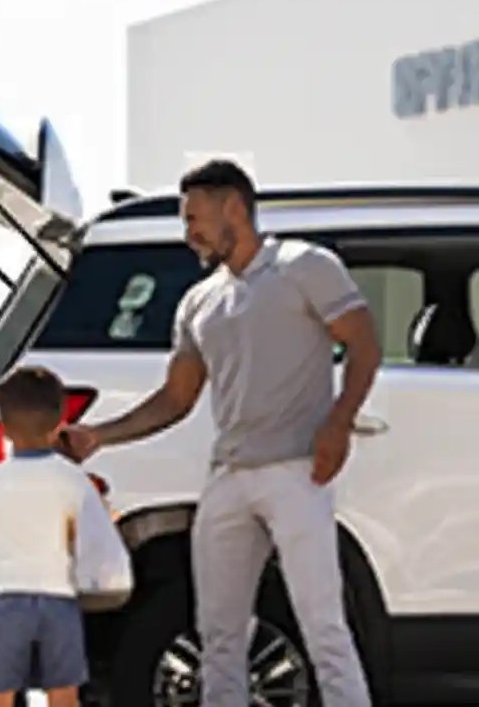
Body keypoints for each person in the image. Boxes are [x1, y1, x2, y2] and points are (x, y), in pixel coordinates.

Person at [61, 159, 382, 707]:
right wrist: (100, 436)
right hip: (229, 479)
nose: (188, 234)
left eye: (194, 218)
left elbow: (364, 344)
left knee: (324, 628)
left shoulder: (304, 265)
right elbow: (176, 398)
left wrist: (339, 422)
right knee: (219, 639)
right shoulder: (198, 302)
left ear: (234, 206)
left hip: (296, 472)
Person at [0, 366, 93, 707]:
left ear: (2, 428)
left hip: (7, 599)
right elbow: (86, 529)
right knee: (64, 693)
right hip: (59, 598)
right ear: (60, 421)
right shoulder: (73, 478)